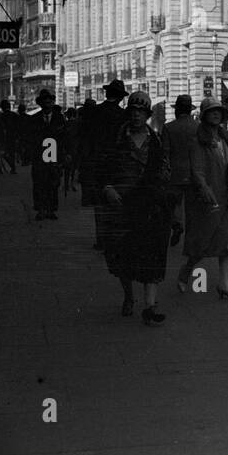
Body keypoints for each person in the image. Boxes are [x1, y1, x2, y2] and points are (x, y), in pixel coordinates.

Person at [100, 90, 172, 324]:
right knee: (122, 256)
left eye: (141, 112)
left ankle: (150, 307)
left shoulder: (156, 140)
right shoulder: (116, 139)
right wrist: (107, 187)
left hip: (148, 205)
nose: (137, 116)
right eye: (133, 111)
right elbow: (100, 167)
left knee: (152, 254)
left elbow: (164, 171)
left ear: (148, 115)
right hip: (121, 202)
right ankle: (129, 296)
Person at [178, 97, 228, 300]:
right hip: (207, 197)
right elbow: (197, 171)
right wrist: (205, 189)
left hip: (227, 196)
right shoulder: (198, 141)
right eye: (212, 111)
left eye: (219, 112)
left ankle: (224, 284)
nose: (216, 114)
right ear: (204, 115)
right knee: (202, 242)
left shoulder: (227, 139)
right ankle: (187, 269)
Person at [81, 80, 128, 251]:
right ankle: (113, 237)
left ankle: (101, 239)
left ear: (107, 94)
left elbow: (86, 137)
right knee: (115, 199)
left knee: (100, 203)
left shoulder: (94, 112)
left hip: (97, 162)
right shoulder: (123, 115)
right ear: (120, 98)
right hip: (117, 162)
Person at [164, 94, 199, 248]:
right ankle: (192, 237)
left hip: (175, 173)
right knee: (192, 207)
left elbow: (164, 152)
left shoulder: (169, 127)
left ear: (177, 110)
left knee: (174, 204)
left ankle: (177, 224)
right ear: (190, 110)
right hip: (194, 173)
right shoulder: (198, 127)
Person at [30, 88, 65, 220]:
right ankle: (40, 209)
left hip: (54, 157)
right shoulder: (34, 119)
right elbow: (30, 138)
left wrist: (65, 155)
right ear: (41, 104)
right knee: (39, 184)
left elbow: (64, 138)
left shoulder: (59, 119)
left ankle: (51, 209)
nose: (47, 104)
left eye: (50, 101)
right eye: (45, 102)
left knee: (53, 184)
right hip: (39, 158)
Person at [0, 99, 19, 175]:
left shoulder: (0, 116)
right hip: (13, 138)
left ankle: (1, 168)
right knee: (11, 153)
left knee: (2, 153)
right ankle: (12, 168)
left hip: (3, 138)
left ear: (1, 107)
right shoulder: (15, 115)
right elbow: (18, 128)